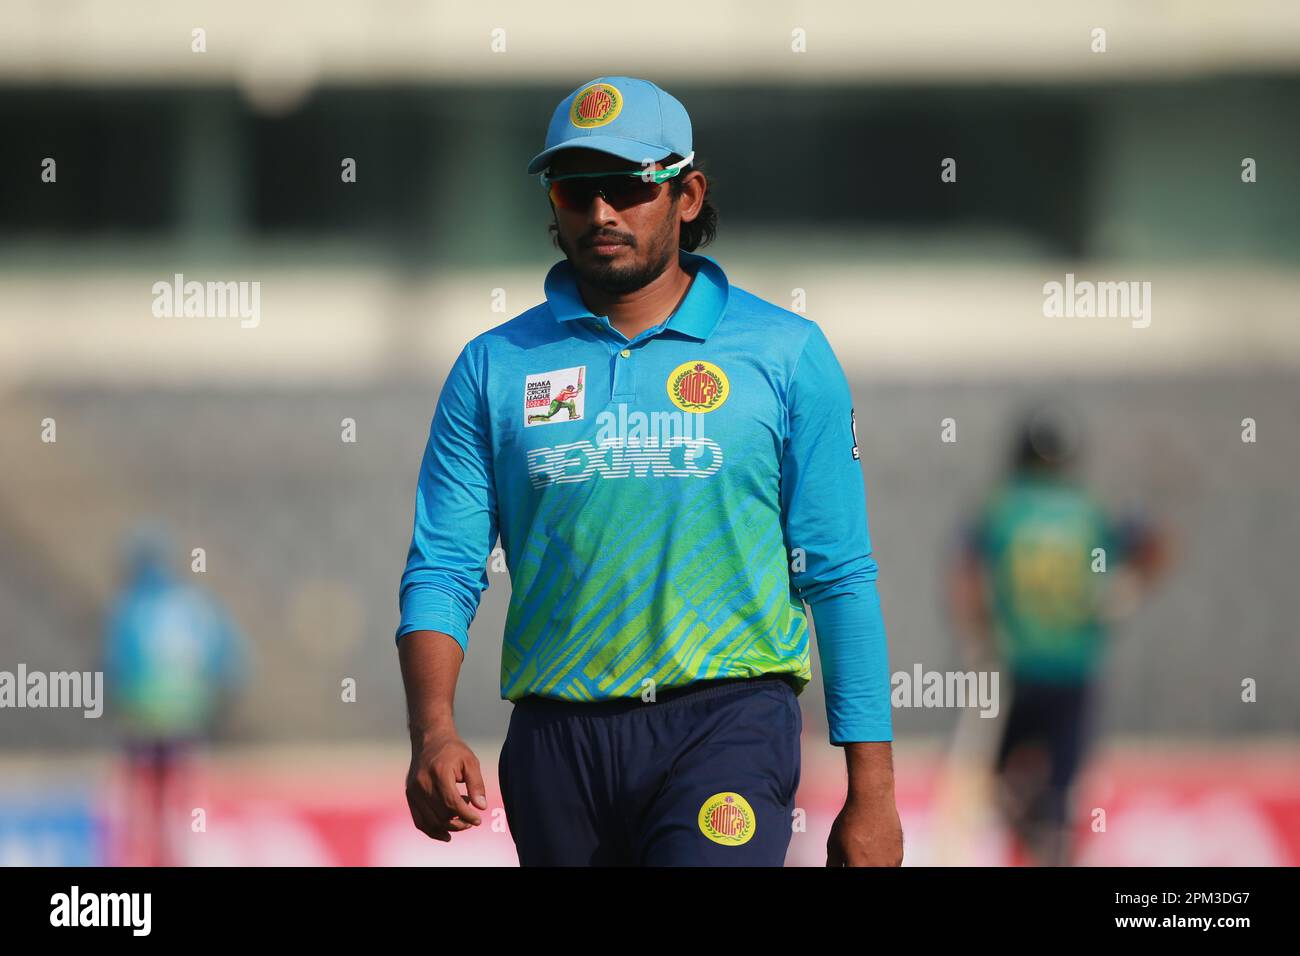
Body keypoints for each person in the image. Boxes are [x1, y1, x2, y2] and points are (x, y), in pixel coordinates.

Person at [396, 76, 900, 866]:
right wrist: (433, 731)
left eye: (629, 186)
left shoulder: (788, 354)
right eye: (576, 189)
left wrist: (873, 795)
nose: (601, 212)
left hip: (728, 721)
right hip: (556, 741)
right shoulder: (491, 367)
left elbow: (837, 575)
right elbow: (444, 569)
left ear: (687, 194)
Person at [948, 406, 1171, 865]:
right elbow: (1157, 543)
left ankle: (1029, 830)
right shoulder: (1090, 507)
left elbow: (966, 578)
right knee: (1061, 794)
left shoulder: (1001, 507)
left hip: (1015, 666)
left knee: (994, 781)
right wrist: (1124, 591)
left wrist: (977, 635)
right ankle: (1051, 842)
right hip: (1075, 668)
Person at [104, 524, 248, 866]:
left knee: (143, 801)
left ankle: (143, 858)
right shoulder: (195, 605)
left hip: (141, 719)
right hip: (187, 717)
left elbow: (114, 664)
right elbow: (231, 660)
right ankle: (181, 855)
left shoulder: (130, 608)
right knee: (183, 799)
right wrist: (214, 701)